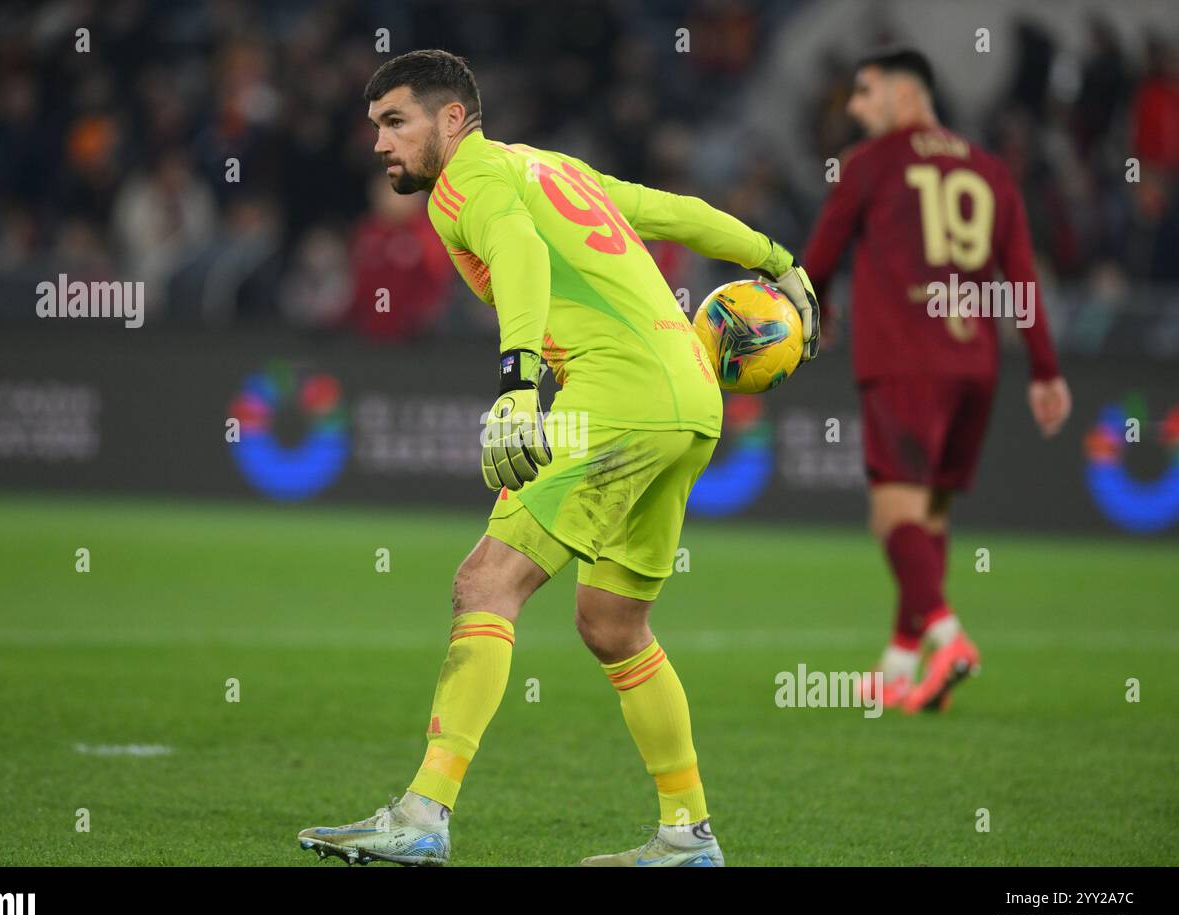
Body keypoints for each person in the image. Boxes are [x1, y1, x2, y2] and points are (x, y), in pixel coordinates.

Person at [298, 49, 819, 866]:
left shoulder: (464, 185)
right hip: (689, 395)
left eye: (396, 122)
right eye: (375, 127)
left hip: (611, 399)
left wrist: (519, 383)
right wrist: (778, 261)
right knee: (613, 624)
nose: (380, 144)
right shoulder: (553, 168)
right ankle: (687, 835)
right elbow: (670, 210)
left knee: (485, 582)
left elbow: (520, 255)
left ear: (454, 119)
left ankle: (424, 815)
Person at [802, 49, 1071, 713]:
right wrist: (1044, 369)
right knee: (929, 519)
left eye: (865, 92)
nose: (857, 108)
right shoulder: (990, 170)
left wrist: (814, 315)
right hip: (976, 367)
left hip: (904, 361)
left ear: (903, 92)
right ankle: (899, 668)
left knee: (893, 516)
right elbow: (1022, 278)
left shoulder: (871, 165)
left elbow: (821, 255)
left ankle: (949, 639)